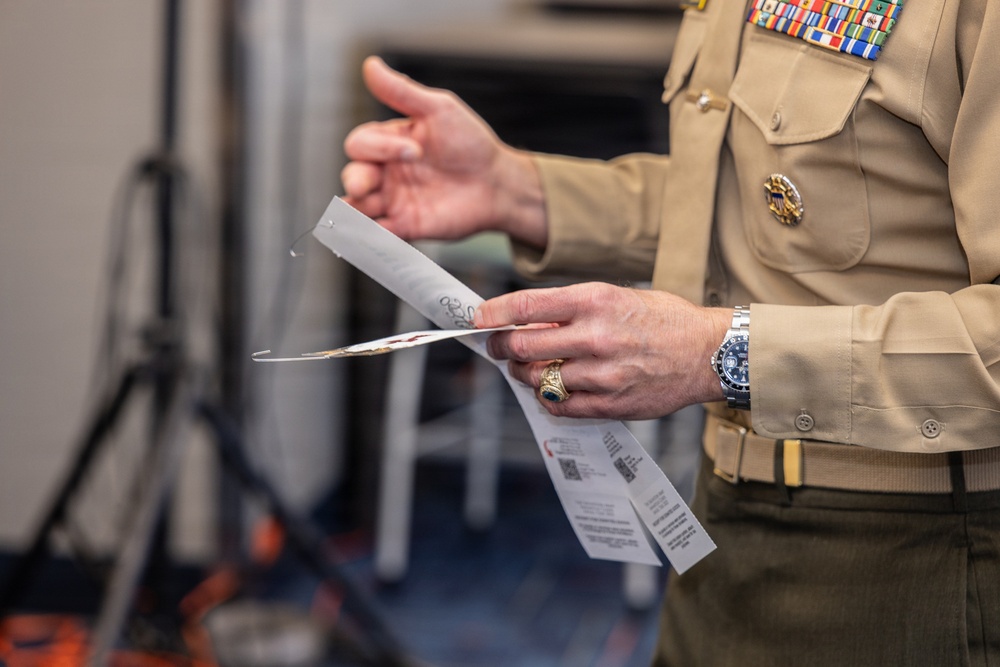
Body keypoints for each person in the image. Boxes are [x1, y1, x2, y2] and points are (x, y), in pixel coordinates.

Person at [341, 0, 1000, 663]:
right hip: (723, 518)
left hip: (916, 545)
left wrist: (722, 353)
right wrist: (518, 191)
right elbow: (750, 204)